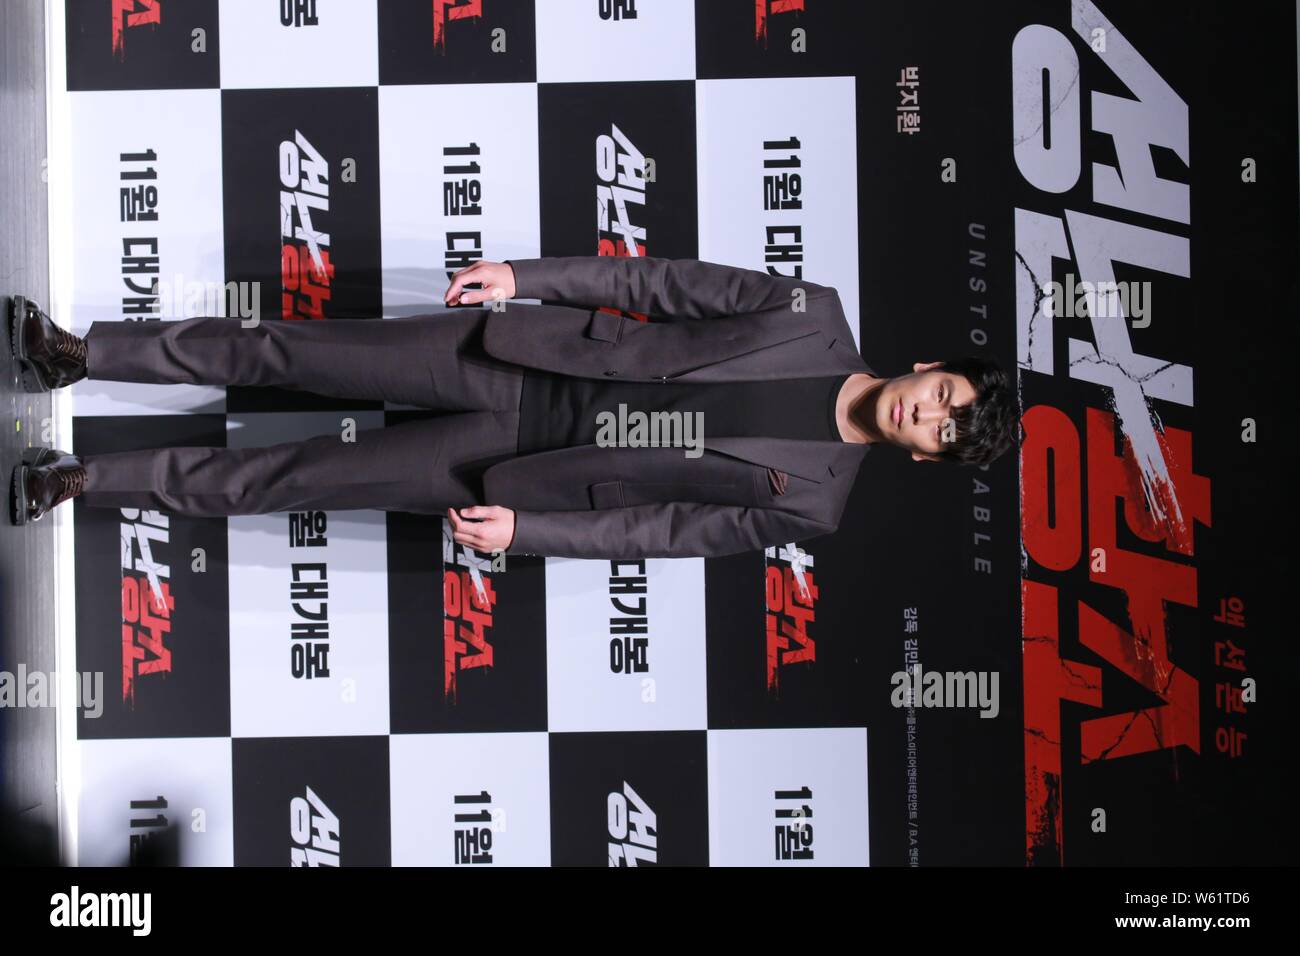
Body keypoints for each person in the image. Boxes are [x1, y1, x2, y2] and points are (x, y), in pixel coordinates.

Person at [7, 256, 1017, 558]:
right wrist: (523, 275)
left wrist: (525, 529)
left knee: (292, 476)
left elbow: (658, 530)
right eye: (940, 396)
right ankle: (79, 353)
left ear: (927, 457)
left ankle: (87, 479)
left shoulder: (817, 504)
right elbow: (665, 284)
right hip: (518, 357)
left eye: (937, 429)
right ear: (930, 365)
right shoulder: (813, 308)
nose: (922, 415)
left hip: (519, 472)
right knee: (286, 347)